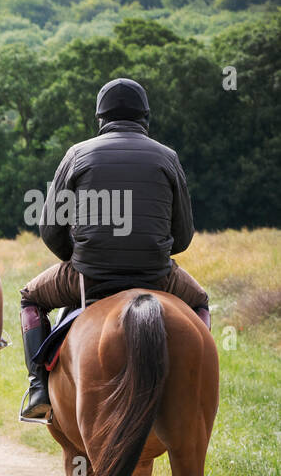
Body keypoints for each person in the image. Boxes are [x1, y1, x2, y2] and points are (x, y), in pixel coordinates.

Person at [20, 77, 210, 421]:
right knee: (199, 302)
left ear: (100, 118)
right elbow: (182, 238)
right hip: (156, 275)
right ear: (145, 117)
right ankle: (198, 385)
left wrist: (78, 258)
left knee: (30, 298)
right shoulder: (168, 157)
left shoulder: (76, 154)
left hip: (89, 276)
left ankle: (38, 387)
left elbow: (50, 229)